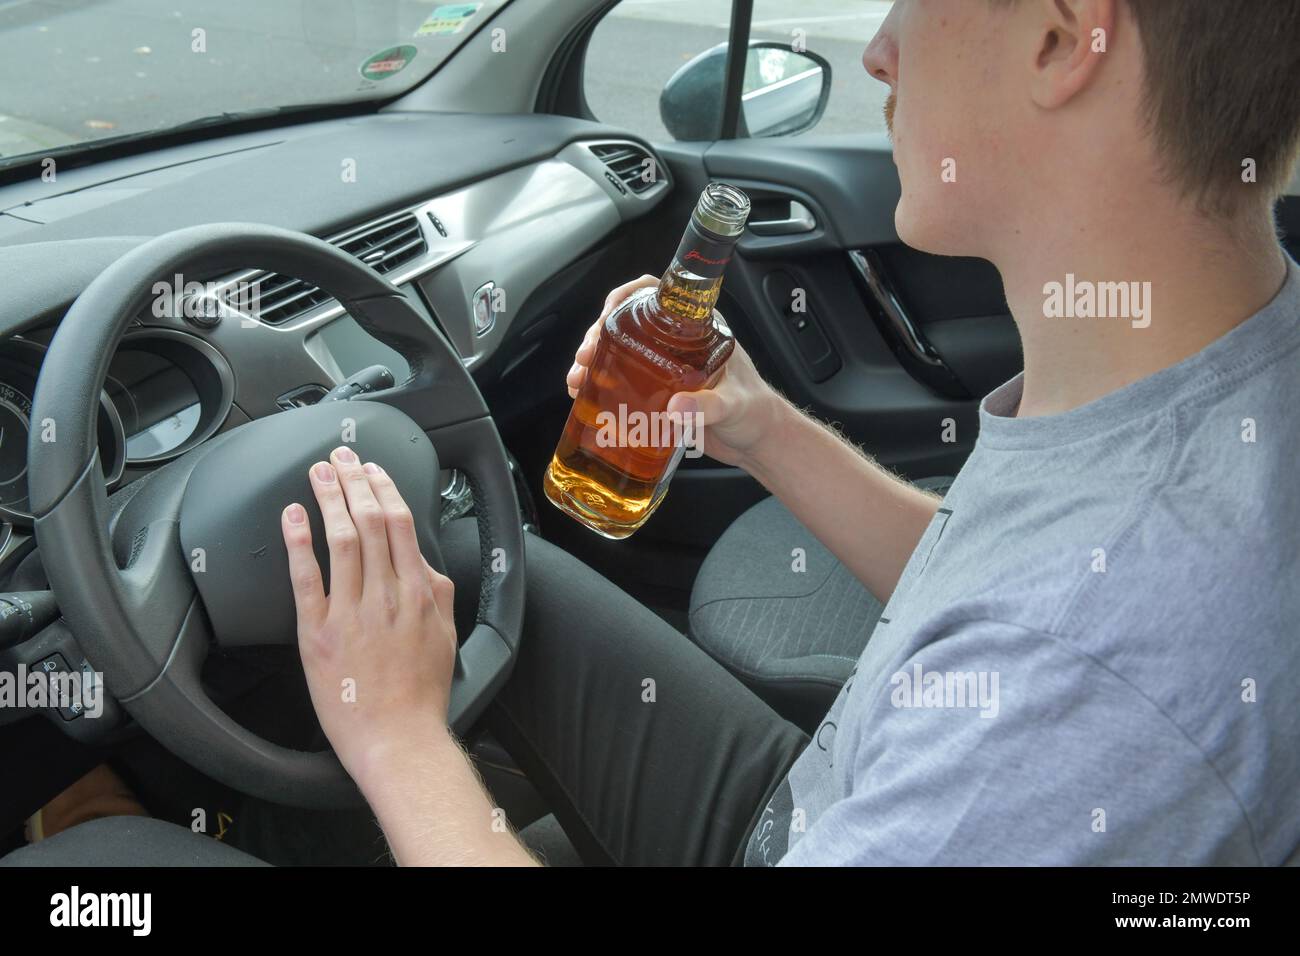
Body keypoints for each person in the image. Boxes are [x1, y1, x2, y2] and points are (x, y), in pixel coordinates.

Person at [272, 0, 1300, 866]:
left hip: (825, 822)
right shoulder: (1205, 366)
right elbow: (993, 575)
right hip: (826, 801)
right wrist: (762, 427)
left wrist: (396, 733)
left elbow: (1051, 632)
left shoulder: (1076, 692)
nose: (879, 50)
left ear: (1062, 39)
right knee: (481, 562)